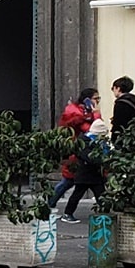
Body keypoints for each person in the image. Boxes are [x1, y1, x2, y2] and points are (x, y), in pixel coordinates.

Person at [50, 87, 102, 221]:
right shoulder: (76, 112)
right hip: (76, 153)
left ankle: (52, 206)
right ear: (87, 100)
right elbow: (92, 128)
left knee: (71, 182)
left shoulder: (87, 113)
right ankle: (51, 205)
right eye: (95, 99)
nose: (97, 101)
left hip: (80, 153)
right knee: (69, 181)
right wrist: (93, 114)